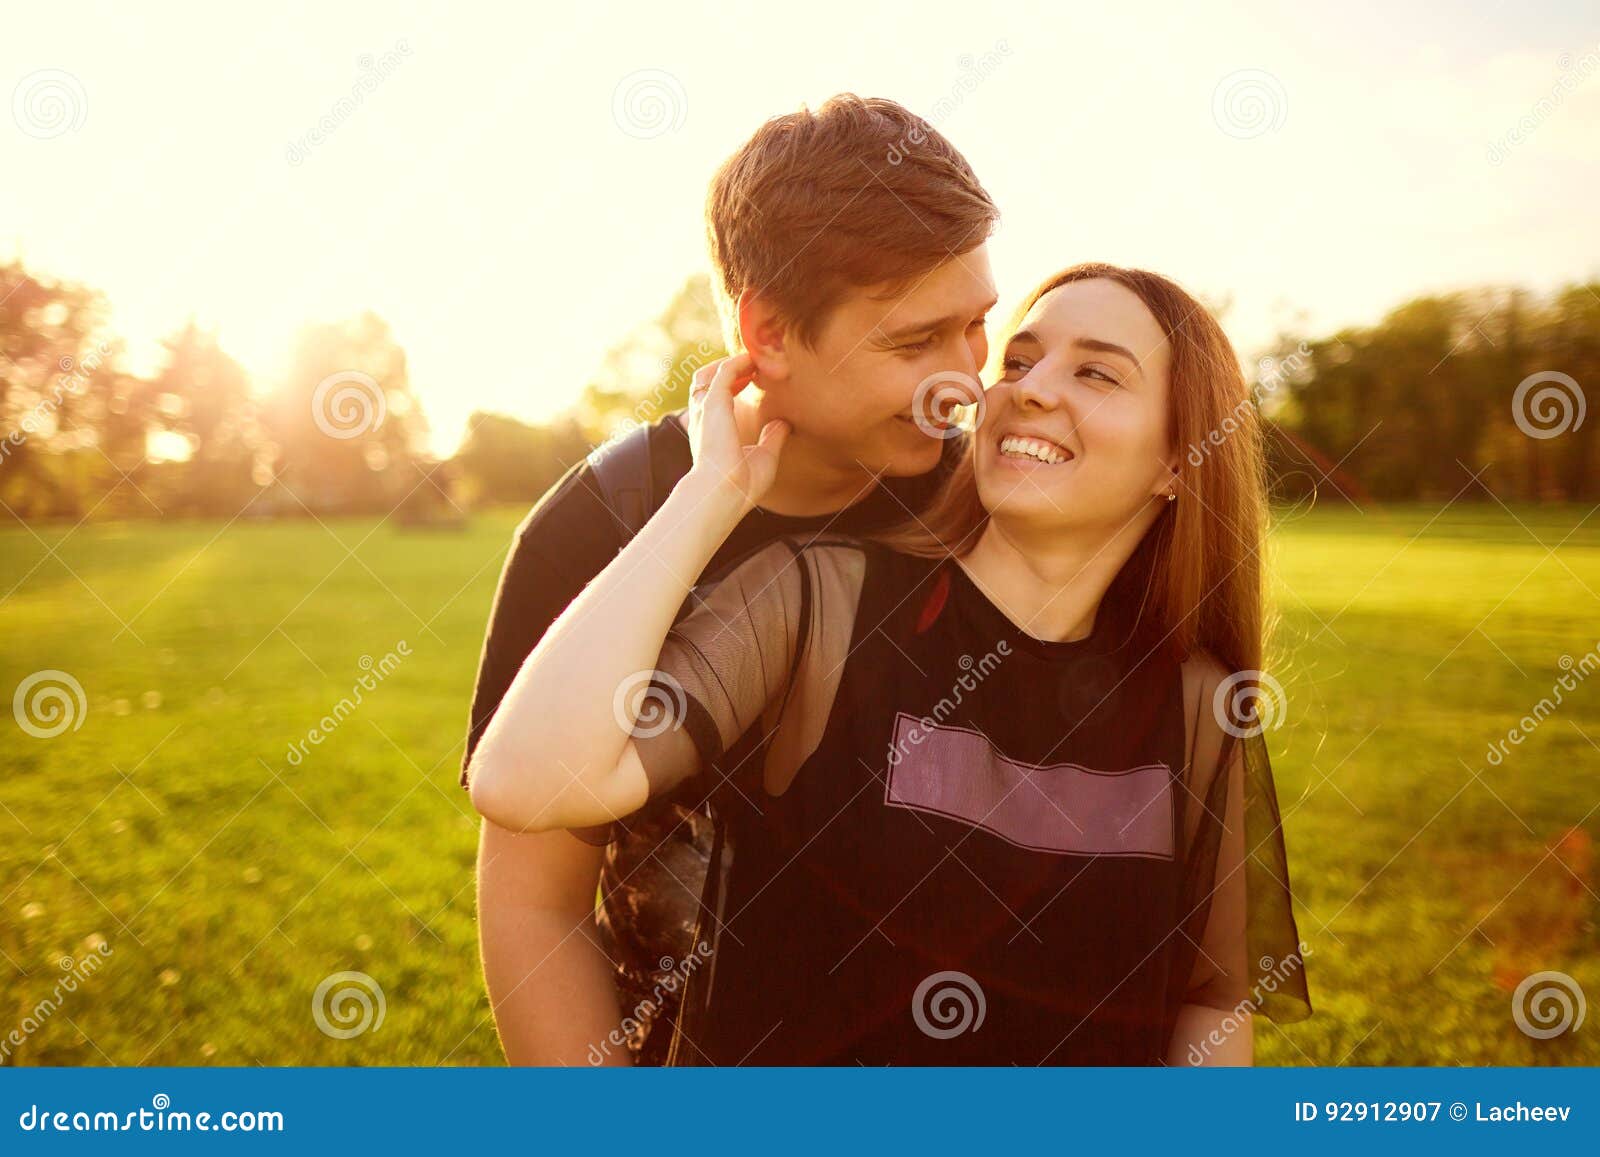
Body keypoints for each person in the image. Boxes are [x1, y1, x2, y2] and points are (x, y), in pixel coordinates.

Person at [468, 262, 1314, 1065]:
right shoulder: (818, 604)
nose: (1028, 385)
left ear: (1178, 461)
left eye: (1097, 374)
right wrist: (709, 492)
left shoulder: (1200, 704)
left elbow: (1212, 1001)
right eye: (1019, 358)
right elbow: (526, 781)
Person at [459, 93, 999, 1064]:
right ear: (773, 332)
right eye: (916, 342)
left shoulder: (991, 508)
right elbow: (535, 901)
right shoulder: (603, 519)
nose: (965, 378)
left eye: (978, 324)